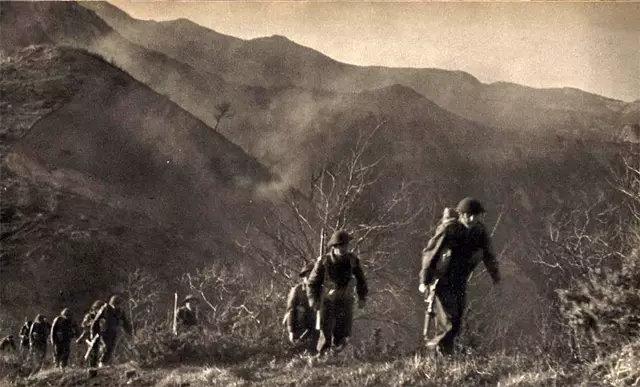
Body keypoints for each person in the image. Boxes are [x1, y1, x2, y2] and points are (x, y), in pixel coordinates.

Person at [419, 197, 501, 355]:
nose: (472, 219)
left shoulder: (479, 231)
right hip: (441, 281)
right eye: (468, 215)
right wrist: (425, 280)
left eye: (476, 216)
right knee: (447, 322)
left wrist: (495, 276)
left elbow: (489, 255)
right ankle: (435, 355)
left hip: (460, 281)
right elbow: (430, 253)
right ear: (461, 214)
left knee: (456, 324)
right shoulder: (449, 229)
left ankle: (442, 356)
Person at [307, 230, 368, 354]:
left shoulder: (352, 260)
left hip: (345, 300)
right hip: (328, 301)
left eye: (345, 245)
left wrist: (362, 297)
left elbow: (361, 280)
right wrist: (313, 300)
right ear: (334, 247)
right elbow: (312, 283)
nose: (343, 249)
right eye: (340, 246)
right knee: (325, 331)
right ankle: (323, 356)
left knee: (343, 333)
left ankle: (336, 354)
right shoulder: (324, 262)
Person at [283, 262, 318, 352]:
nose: (309, 278)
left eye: (312, 275)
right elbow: (290, 311)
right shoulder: (297, 290)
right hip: (299, 325)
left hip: (315, 325)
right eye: (307, 276)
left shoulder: (319, 290)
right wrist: (291, 331)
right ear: (304, 277)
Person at [91, 295, 132, 367]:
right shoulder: (105, 308)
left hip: (114, 331)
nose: (117, 306)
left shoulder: (120, 311)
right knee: (107, 346)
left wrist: (130, 331)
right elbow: (96, 321)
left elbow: (125, 322)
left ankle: (106, 362)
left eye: (118, 304)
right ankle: (102, 362)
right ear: (111, 304)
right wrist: (94, 332)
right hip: (105, 331)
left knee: (112, 347)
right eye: (115, 304)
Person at [77, 300, 104, 368]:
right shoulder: (89, 315)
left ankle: (100, 364)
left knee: (102, 349)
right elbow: (83, 324)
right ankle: (91, 365)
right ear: (94, 309)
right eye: (98, 308)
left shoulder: (103, 316)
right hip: (90, 335)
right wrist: (91, 323)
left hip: (100, 334)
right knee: (92, 351)